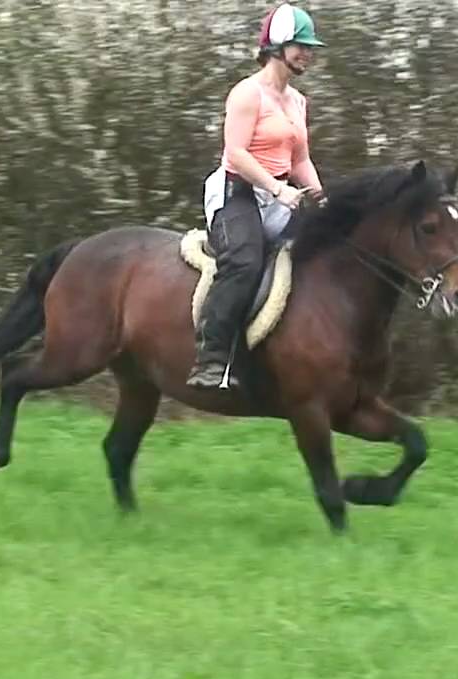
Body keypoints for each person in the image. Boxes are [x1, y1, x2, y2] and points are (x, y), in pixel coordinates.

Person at [188, 2, 327, 389]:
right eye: (300, 45)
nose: (307, 54)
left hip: (280, 195)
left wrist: (320, 197)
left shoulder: (298, 102)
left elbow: (300, 159)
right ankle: (210, 359)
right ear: (278, 46)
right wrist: (277, 188)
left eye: (310, 47)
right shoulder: (247, 94)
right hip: (237, 192)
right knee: (246, 263)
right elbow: (235, 154)